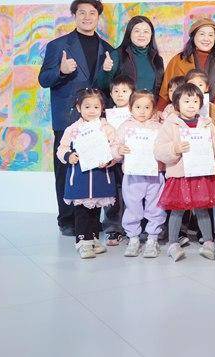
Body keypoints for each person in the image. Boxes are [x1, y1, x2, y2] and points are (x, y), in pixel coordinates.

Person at [39, 0, 113, 236]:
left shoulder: (107, 49)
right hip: (68, 118)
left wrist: (108, 74)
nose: (87, 17)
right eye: (82, 12)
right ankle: (66, 220)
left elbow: (106, 87)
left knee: (95, 167)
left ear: (98, 17)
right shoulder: (58, 45)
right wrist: (61, 71)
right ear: (74, 15)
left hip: (95, 121)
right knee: (66, 169)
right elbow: (44, 79)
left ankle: (91, 220)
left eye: (92, 13)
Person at [154, 83, 215, 262]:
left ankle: (208, 242)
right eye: (186, 101)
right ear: (177, 103)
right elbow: (159, 150)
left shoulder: (206, 123)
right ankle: (173, 244)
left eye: (195, 101)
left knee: (202, 209)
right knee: (177, 211)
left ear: (200, 103)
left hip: (200, 174)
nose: (191, 105)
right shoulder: (170, 124)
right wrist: (174, 148)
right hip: (180, 175)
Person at [55, 89, 118, 259]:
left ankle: (94, 239)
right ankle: (83, 242)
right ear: (78, 108)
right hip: (80, 178)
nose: (92, 110)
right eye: (87, 106)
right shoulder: (72, 129)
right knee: (82, 210)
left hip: (100, 176)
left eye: (96, 107)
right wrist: (69, 156)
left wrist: (110, 159)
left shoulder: (107, 128)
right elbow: (61, 149)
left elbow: (115, 147)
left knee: (96, 209)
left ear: (102, 108)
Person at [112, 90, 164, 258]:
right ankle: (133, 238)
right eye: (138, 107)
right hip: (133, 175)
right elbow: (114, 147)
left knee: (155, 207)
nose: (142, 111)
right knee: (132, 207)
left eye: (147, 107)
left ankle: (152, 238)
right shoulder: (125, 127)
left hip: (154, 175)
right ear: (130, 108)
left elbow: (164, 148)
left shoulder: (158, 128)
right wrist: (119, 150)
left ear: (153, 109)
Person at [158, 17, 215, 111]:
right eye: (202, 34)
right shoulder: (178, 60)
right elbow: (165, 92)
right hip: (179, 114)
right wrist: (159, 111)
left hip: (212, 115)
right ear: (193, 37)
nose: (206, 38)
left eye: (211, 35)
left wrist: (209, 113)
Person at [100, 74, 135, 246]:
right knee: (113, 194)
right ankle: (113, 228)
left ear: (132, 93)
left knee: (131, 194)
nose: (120, 94)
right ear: (111, 94)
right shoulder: (105, 116)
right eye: (116, 91)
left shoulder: (137, 113)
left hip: (132, 161)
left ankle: (132, 228)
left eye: (124, 91)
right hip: (112, 161)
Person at [97, 15, 165, 95]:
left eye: (146, 31)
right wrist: (106, 71)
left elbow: (159, 90)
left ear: (151, 35)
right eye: (137, 31)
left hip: (149, 103)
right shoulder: (117, 55)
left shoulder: (157, 59)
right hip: (125, 103)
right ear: (129, 33)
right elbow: (103, 86)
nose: (141, 35)